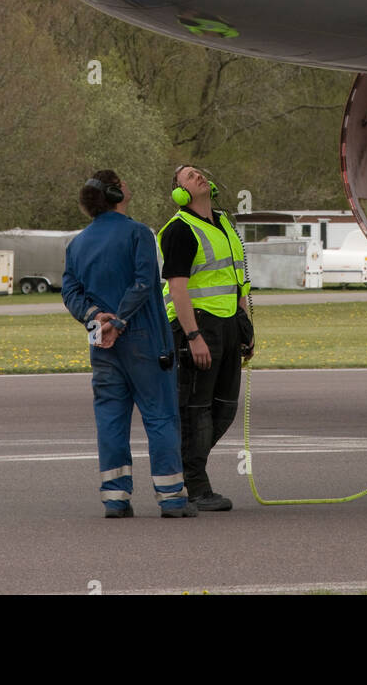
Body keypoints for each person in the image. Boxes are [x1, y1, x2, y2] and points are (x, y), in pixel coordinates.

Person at [61, 169, 196, 519]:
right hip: (144, 338)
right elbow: (143, 283)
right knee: (160, 416)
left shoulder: (77, 244)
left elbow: (70, 291)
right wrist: (118, 321)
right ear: (115, 193)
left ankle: (115, 497)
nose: (127, 185)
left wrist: (97, 319)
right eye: (123, 183)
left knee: (110, 418)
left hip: (100, 341)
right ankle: (171, 497)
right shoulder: (138, 234)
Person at [158, 164, 254, 511]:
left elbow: (235, 280)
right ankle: (195, 486)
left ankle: (184, 469)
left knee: (223, 410)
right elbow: (177, 288)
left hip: (228, 325)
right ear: (180, 192)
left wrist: (245, 326)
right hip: (196, 326)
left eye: (199, 172)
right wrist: (193, 336)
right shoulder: (180, 230)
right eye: (188, 176)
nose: (198, 176)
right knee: (195, 410)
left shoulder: (224, 224)